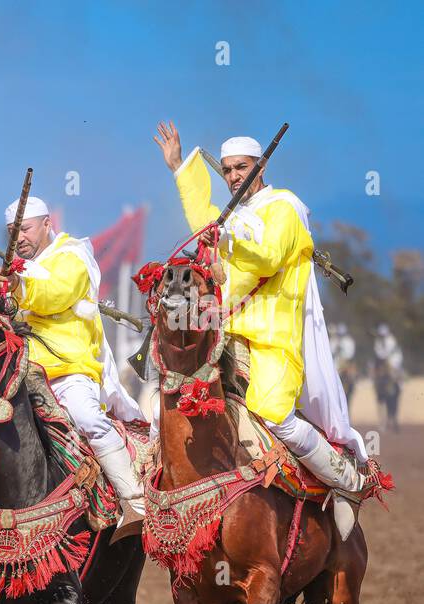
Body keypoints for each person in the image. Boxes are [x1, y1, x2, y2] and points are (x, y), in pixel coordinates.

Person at [155, 122, 376, 538]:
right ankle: (154, 493)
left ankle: (347, 480)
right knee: (176, 391)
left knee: (272, 414)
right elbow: (205, 223)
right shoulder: (236, 218)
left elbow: (268, 256)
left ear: (262, 166)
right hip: (227, 333)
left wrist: (226, 239)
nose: (233, 176)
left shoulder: (286, 207)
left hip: (274, 338)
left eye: (241, 167)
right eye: (227, 170)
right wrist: (180, 167)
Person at [0, 196, 147, 527]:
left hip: (68, 370)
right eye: (11, 232)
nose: (18, 238)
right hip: (20, 374)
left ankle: (134, 503)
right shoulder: (14, 273)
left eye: (25, 229)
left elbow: (55, 294)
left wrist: (18, 285)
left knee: (88, 419)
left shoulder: (72, 256)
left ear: (47, 223)